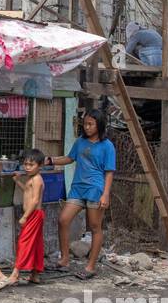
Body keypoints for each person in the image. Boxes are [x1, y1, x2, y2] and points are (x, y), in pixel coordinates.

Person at [46, 109, 116, 279]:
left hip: (95, 190)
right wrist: (51, 160)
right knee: (63, 220)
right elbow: (70, 158)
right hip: (77, 188)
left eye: (91, 124)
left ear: (99, 125)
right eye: (85, 124)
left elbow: (109, 172)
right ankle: (64, 260)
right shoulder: (80, 142)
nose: (87, 127)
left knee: (94, 227)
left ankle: (90, 267)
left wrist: (105, 194)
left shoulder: (107, 146)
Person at [4, 149, 46, 285]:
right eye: (26, 164)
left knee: (24, 242)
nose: (27, 167)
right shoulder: (31, 179)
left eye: (31, 165)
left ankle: (15, 274)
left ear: (40, 166)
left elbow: (34, 200)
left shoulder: (37, 179)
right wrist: (17, 181)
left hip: (33, 215)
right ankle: (35, 274)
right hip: (34, 215)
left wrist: (25, 216)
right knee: (35, 244)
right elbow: (27, 190)